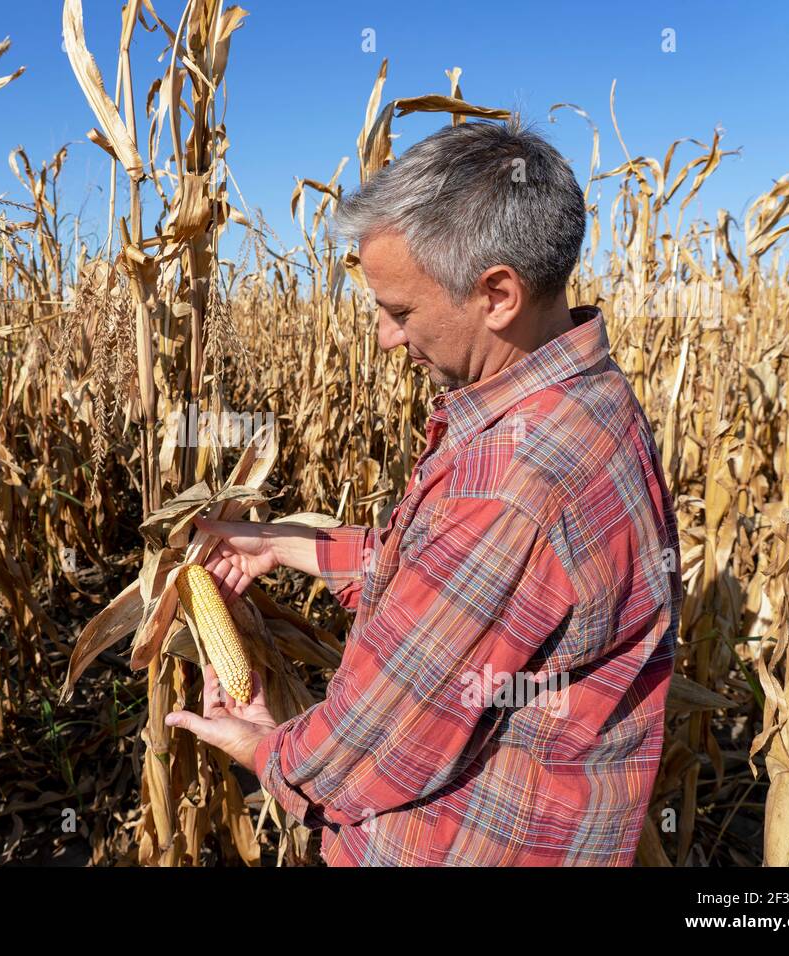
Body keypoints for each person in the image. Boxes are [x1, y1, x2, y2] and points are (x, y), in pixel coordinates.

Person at [165, 116, 683, 866]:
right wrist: (286, 544)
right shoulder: (585, 396)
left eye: (400, 311)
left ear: (497, 293)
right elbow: (465, 585)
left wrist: (264, 746)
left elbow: (371, 745)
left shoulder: (513, 486)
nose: (384, 337)